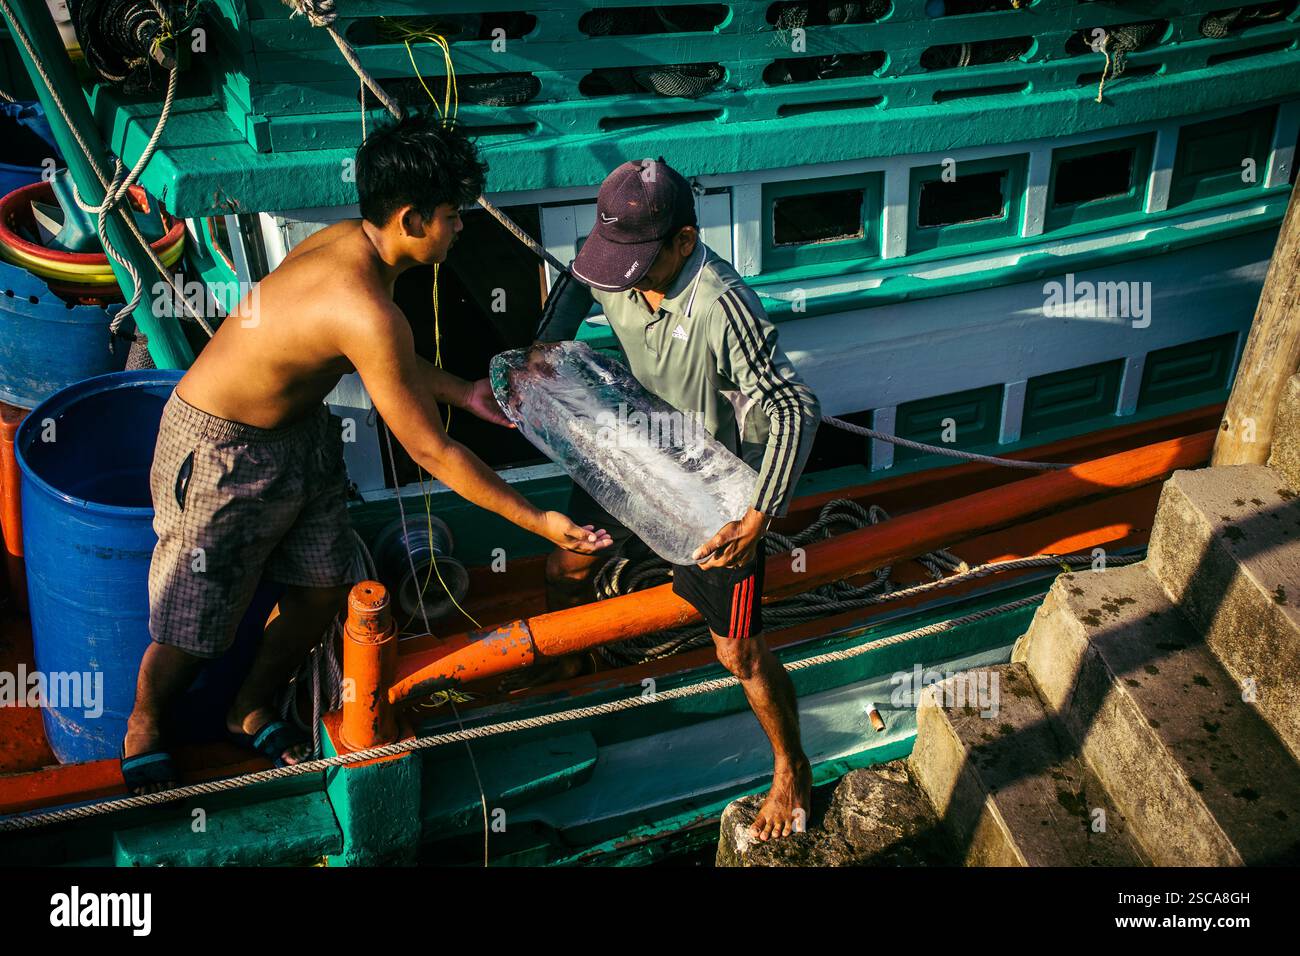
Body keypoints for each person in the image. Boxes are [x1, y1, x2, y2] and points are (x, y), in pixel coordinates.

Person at [120, 114, 611, 795]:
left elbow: (388, 363)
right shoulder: (368, 307)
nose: (462, 228)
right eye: (452, 215)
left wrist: (463, 390)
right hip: (222, 448)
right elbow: (430, 450)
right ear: (412, 219)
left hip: (299, 437)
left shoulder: (352, 245)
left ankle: (248, 707)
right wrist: (539, 523)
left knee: (320, 587)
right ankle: (144, 724)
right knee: (196, 617)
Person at [536, 158, 821, 841]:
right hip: (634, 450)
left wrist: (757, 517)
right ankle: (575, 667)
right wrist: (543, 352)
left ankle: (792, 770)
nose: (620, 277)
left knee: (738, 653)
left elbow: (794, 403)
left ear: (684, 242)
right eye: (614, 258)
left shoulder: (723, 304)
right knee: (563, 565)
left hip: (713, 488)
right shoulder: (610, 264)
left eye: (636, 262)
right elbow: (578, 284)